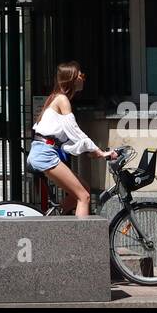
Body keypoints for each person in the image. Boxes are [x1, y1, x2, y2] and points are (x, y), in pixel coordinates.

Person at [27, 61, 116, 216]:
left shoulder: (55, 97)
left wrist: (90, 150)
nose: (83, 79)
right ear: (72, 78)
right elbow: (74, 130)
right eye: (81, 75)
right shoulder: (62, 99)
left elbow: (67, 140)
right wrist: (98, 151)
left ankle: (59, 223)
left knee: (84, 189)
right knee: (84, 197)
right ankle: (81, 239)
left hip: (45, 151)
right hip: (45, 154)